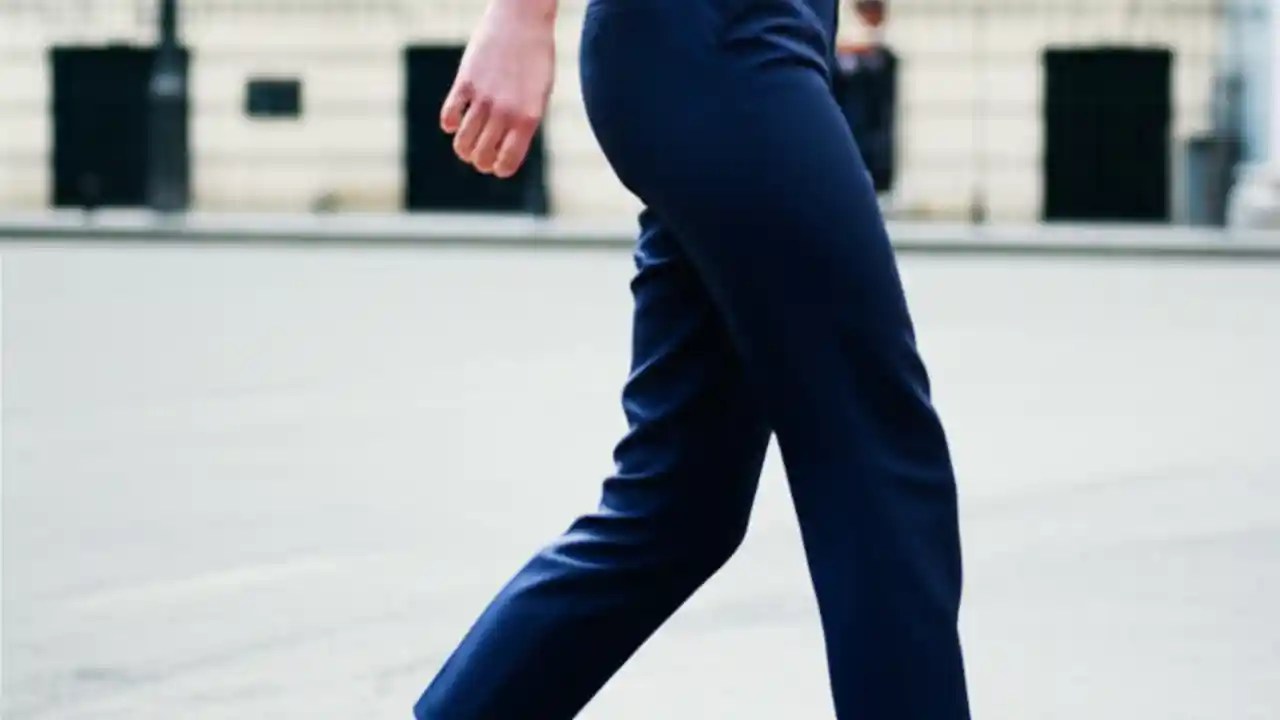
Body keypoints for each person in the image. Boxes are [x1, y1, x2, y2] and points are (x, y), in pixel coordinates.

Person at [413, 0, 971, 717]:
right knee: (879, 453)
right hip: (718, 42)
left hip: (741, 47)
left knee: (679, 504)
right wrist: (520, 14)